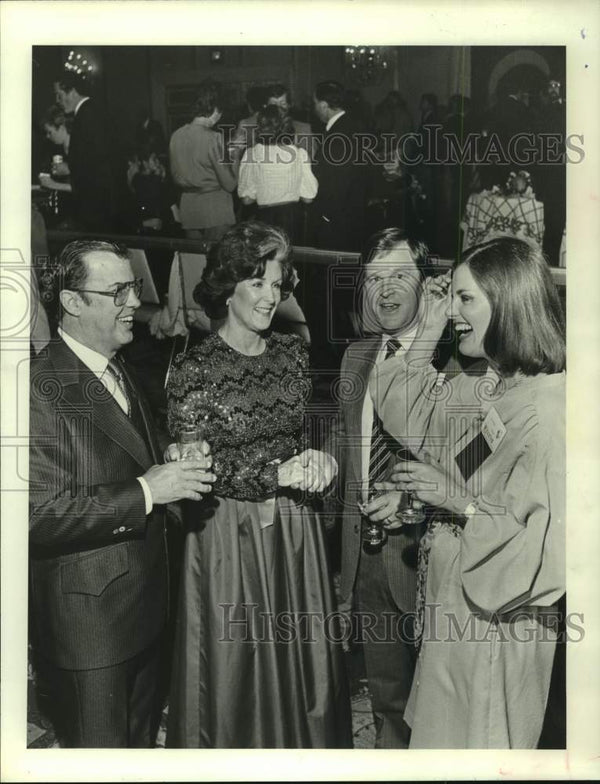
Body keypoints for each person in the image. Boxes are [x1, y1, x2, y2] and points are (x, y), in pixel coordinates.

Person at [370, 237, 565, 748]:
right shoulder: (493, 386)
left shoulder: (549, 411)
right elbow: (404, 409)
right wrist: (431, 323)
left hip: (497, 631)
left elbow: (547, 555)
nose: (453, 311)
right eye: (450, 297)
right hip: (454, 615)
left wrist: (455, 500)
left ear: (508, 302)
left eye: (466, 299)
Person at [165, 222, 352, 748]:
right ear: (228, 287)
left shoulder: (292, 355)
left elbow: (306, 439)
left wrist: (319, 460)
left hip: (296, 532)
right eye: (258, 283)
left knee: (305, 665)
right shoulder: (194, 369)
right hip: (228, 536)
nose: (272, 297)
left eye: (278, 285)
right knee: (234, 668)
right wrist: (275, 473)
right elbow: (198, 471)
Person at [29, 240, 216, 747]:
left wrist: (170, 458)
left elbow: (132, 457)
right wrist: (146, 490)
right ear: (72, 302)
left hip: (141, 612)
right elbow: (34, 514)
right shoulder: (36, 387)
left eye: (131, 288)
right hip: (89, 632)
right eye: (116, 292)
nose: (134, 301)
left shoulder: (117, 367)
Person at [323, 228, 457, 748]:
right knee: (386, 699)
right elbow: (345, 443)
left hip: (431, 553)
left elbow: (472, 457)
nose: (387, 289)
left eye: (400, 275)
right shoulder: (358, 356)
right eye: (375, 278)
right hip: (368, 558)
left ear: (428, 285)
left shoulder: (457, 357)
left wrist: (416, 497)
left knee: (439, 702)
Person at [238, 105, 318, 244]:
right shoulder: (300, 154)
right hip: (293, 221)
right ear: (288, 126)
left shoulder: (251, 154)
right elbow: (308, 198)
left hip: (264, 221)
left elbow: (246, 199)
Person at [169, 80, 238, 241]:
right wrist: (235, 156)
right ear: (215, 108)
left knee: (194, 264)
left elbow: (176, 178)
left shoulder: (176, 135)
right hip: (215, 210)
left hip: (189, 210)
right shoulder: (214, 137)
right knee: (217, 263)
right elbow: (230, 184)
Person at [311, 80, 368, 252]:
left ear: (323, 105)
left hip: (338, 221)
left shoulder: (337, 135)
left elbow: (338, 181)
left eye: (314, 103)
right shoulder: (352, 125)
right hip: (354, 214)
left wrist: (326, 217)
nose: (314, 108)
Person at [53, 71, 114, 231]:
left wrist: (71, 166)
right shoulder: (89, 111)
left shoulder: (88, 114)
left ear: (72, 92)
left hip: (95, 204)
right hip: (96, 202)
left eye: (59, 95)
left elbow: (98, 159)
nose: (57, 101)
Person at [266, 83, 316, 161]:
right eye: (273, 105)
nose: (278, 109)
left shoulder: (304, 129)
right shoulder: (258, 130)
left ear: (289, 105)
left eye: (283, 104)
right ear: (265, 106)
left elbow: (313, 159)